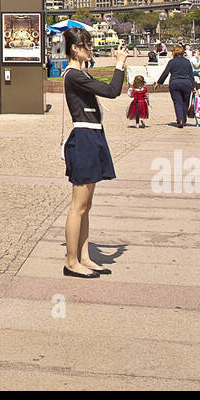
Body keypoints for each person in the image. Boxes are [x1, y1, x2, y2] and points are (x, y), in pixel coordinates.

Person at [60, 30, 127, 278]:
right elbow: (111, 91)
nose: (90, 49)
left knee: (86, 206)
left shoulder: (81, 73)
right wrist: (119, 64)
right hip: (84, 138)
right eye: (86, 45)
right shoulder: (74, 75)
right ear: (75, 49)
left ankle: (84, 256)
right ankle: (71, 261)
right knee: (78, 206)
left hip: (93, 135)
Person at [155, 45, 196, 128]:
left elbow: (165, 73)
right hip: (186, 83)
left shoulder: (172, 62)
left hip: (175, 83)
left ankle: (180, 119)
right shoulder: (187, 62)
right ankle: (183, 119)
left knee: (177, 102)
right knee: (185, 102)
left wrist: (159, 83)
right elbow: (191, 74)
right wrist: (194, 86)